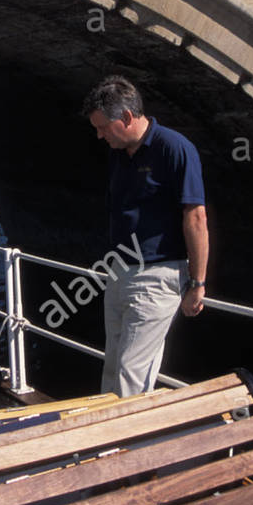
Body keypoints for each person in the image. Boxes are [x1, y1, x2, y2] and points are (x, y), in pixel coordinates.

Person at [82, 75, 208, 398]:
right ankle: (108, 441)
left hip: (156, 275)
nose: (99, 136)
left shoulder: (175, 149)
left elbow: (195, 218)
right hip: (118, 272)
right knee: (113, 366)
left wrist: (197, 282)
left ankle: (123, 446)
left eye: (102, 127)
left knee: (130, 373)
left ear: (125, 118)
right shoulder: (118, 154)